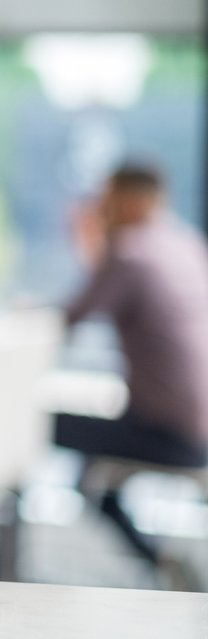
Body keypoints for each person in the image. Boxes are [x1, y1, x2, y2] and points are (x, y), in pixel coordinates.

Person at [55, 164, 208, 469]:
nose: (101, 209)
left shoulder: (130, 252)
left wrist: (90, 242)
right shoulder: (187, 243)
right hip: (198, 432)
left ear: (130, 200)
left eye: (106, 199)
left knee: (34, 422)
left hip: (165, 435)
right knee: (99, 434)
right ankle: (101, 497)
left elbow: (71, 317)